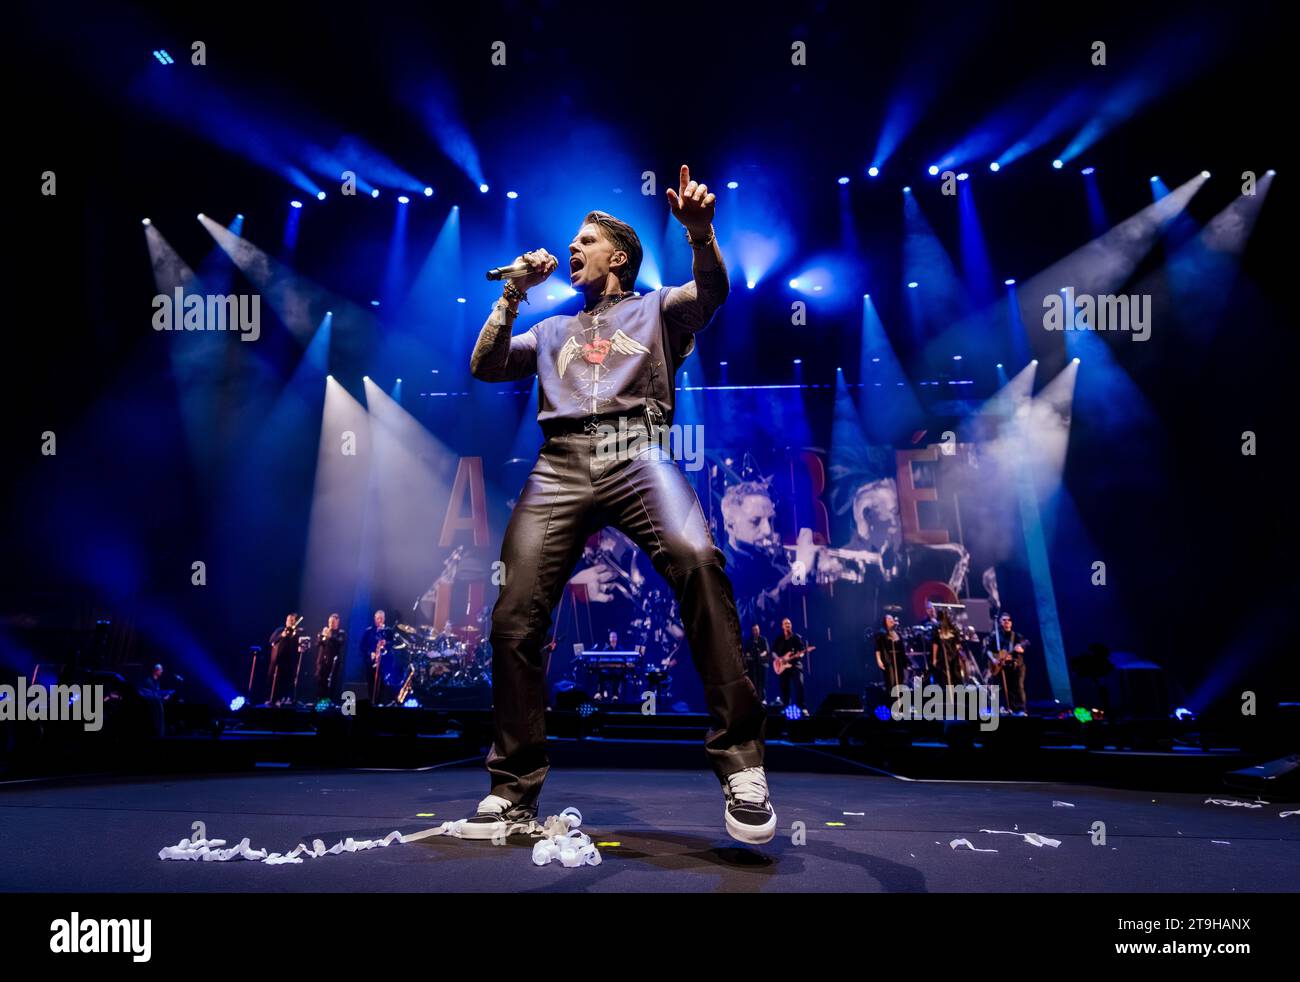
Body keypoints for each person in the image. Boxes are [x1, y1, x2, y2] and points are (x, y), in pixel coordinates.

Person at [463, 166, 773, 844]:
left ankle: (743, 765)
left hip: (636, 450)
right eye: (569, 243)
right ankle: (513, 789)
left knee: (697, 558)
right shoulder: (550, 331)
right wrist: (512, 296)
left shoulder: (659, 308)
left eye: (584, 241)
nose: (571, 250)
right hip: (561, 464)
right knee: (516, 614)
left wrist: (700, 234)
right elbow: (485, 365)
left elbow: (714, 289)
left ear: (618, 255)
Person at [985, 611, 1029, 714]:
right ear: (1000, 622)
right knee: (1005, 689)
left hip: (1017, 666)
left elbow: (1023, 648)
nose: (1007, 622)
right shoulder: (995, 637)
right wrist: (994, 659)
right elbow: (988, 650)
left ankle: (1022, 710)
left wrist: (1021, 648)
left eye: (1009, 620)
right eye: (1004, 620)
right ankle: (1009, 709)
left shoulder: (1017, 636)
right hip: (1003, 667)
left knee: (1018, 687)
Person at [771, 617, 809, 716]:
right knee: (784, 689)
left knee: (799, 686)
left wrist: (800, 654)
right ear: (782, 626)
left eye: (789, 623)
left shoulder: (796, 637)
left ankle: (802, 708)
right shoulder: (779, 639)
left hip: (795, 665)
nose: (788, 625)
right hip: (784, 667)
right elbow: (773, 652)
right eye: (786, 624)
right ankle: (785, 708)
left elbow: (802, 651)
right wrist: (778, 659)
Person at [267, 613, 302, 706]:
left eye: (292, 620)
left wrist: (294, 634)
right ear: (286, 621)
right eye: (289, 620)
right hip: (277, 661)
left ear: (295, 622)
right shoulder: (280, 630)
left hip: (289, 662)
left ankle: (284, 699)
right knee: (273, 680)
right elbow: (271, 640)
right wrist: (282, 635)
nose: (290, 622)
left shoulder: (297, 632)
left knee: (286, 681)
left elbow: (299, 645)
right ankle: (272, 699)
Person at [315, 613, 346, 703]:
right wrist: (321, 637)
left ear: (337, 622)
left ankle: (329, 701)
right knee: (320, 680)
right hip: (322, 661)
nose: (331, 624)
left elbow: (340, 642)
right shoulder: (325, 631)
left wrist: (330, 636)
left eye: (333, 622)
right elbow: (317, 644)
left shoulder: (341, 633)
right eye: (329, 622)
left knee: (332, 682)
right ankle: (319, 700)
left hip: (334, 662)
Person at [874, 613, 907, 692]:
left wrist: (906, 661)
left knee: (900, 680)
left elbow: (902, 649)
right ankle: (891, 701)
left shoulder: (898, 634)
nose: (891, 620)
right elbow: (877, 648)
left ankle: (900, 701)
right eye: (889, 619)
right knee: (891, 681)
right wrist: (879, 660)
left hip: (898, 659)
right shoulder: (881, 634)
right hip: (889, 660)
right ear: (885, 622)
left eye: (892, 618)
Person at [742, 624, 771, 705]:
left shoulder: (763, 639)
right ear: (752, 631)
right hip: (752, 665)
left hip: (762, 664)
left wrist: (761, 655)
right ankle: (754, 699)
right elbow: (746, 652)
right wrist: (748, 655)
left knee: (762, 682)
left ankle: (763, 699)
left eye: (757, 629)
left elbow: (766, 650)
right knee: (753, 682)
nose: (756, 631)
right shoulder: (749, 641)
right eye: (754, 630)